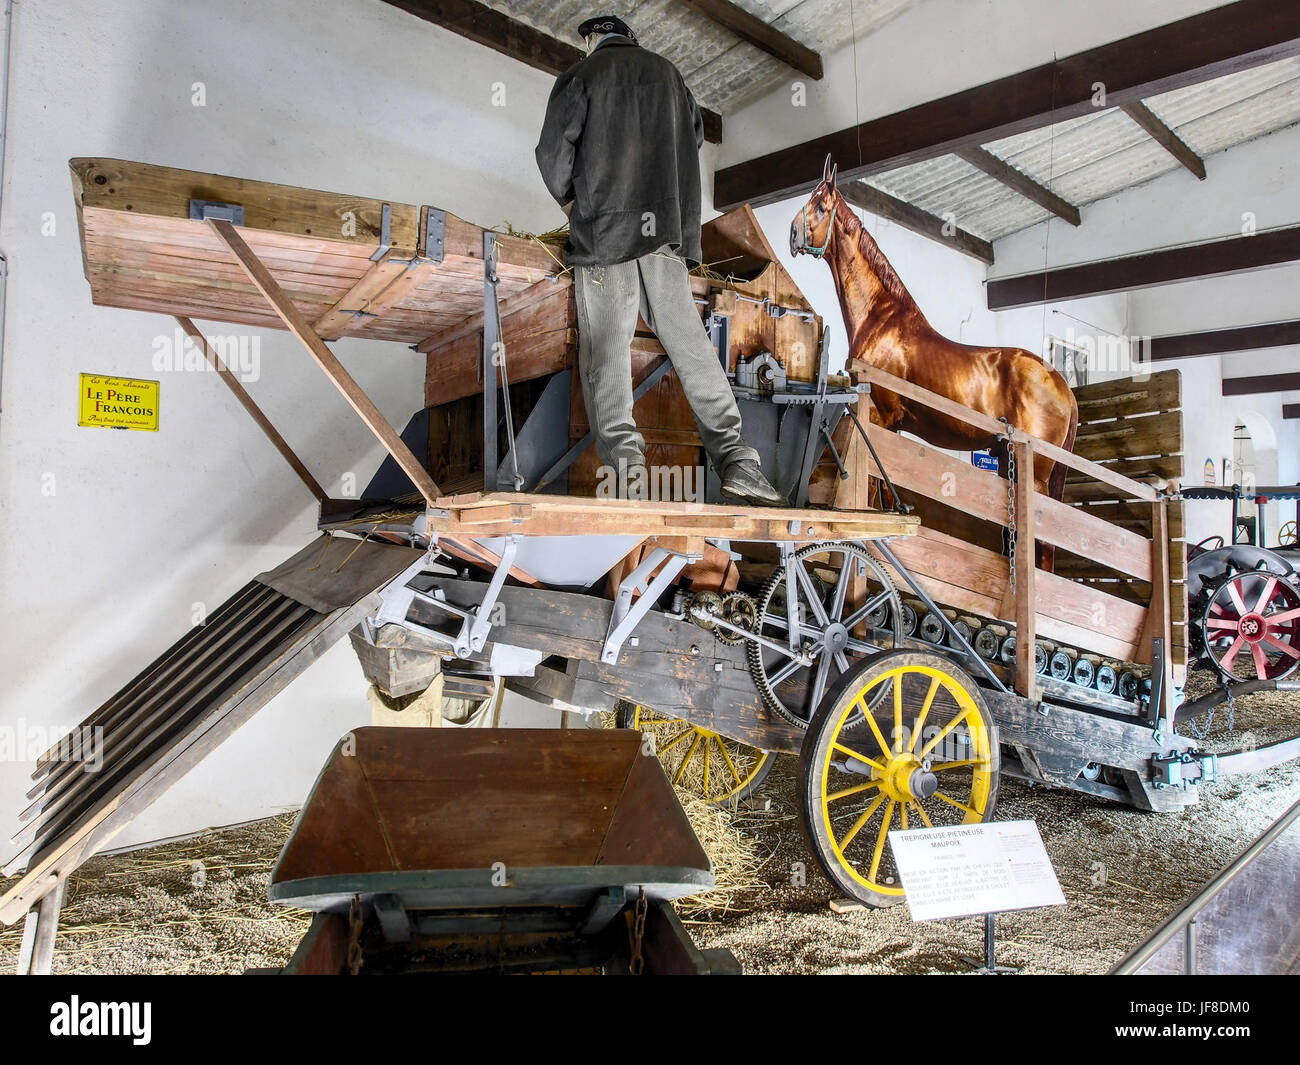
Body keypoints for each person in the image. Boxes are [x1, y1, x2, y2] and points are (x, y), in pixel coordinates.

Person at [534, 14, 785, 507]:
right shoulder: (672, 79)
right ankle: (738, 461)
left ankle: (627, 474)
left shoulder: (582, 75)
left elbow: (552, 152)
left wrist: (575, 205)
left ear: (591, 39)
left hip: (605, 232)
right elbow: (690, 140)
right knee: (691, 344)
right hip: (662, 234)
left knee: (608, 344)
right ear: (631, 37)